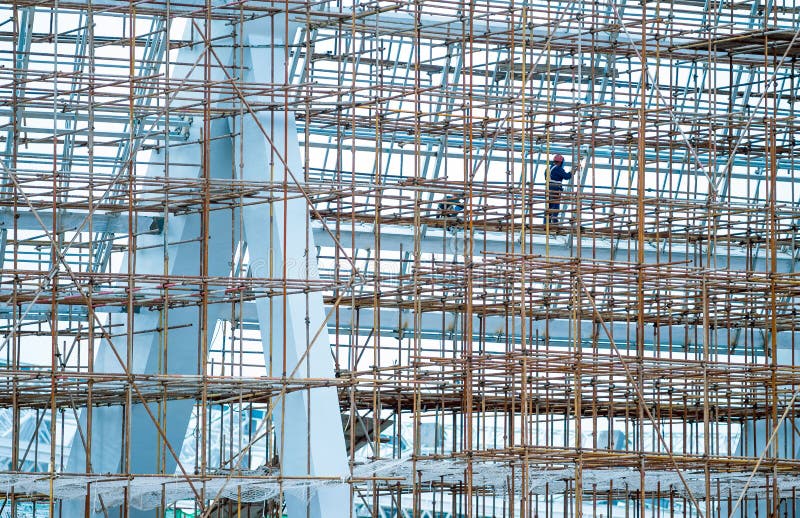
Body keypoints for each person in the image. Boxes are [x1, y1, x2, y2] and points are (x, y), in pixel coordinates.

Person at [544, 153, 573, 224]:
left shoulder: (548, 168)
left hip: (548, 187)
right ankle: (555, 222)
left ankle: (546, 223)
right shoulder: (558, 169)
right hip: (555, 188)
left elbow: (545, 177)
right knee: (555, 206)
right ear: (561, 162)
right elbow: (566, 176)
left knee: (548, 206)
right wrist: (572, 172)